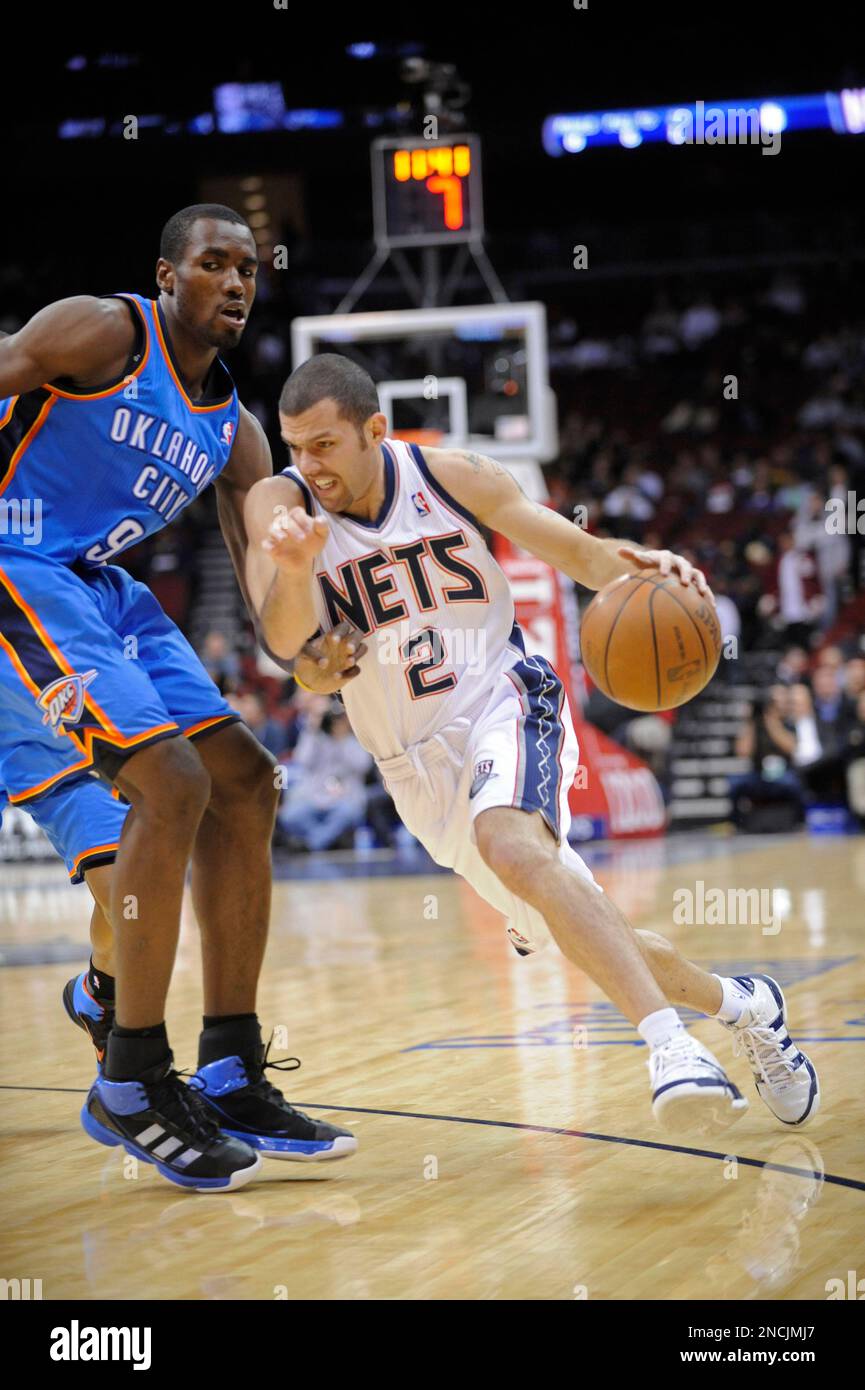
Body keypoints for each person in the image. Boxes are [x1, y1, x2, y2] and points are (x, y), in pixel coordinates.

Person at [243, 354, 820, 1136]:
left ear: (374, 430)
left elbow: (577, 554)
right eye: (294, 446)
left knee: (511, 845)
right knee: (576, 923)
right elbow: (295, 653)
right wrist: (296, 568)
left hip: (502, 698)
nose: (308, 465)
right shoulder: (281, 507)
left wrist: (641, 563)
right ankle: (747, 1006)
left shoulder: (451, 477)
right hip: (411, 765)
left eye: (323, 445)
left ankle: (670, 1048)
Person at [0, 206, 358, 1189]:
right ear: (167, 276)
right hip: (14, 558)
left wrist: (315, 644)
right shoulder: (104, 332)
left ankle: (232, 1062)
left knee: (245, 780)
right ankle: (131, 1078)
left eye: (248, 269)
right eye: (214, 263)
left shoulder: (235, 433)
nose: (236, 283)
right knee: (169, 781)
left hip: (99, 586)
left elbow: (264, 607)